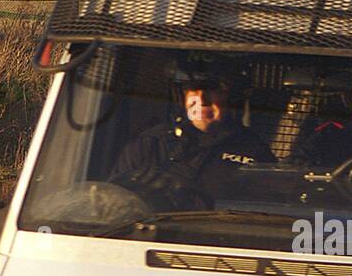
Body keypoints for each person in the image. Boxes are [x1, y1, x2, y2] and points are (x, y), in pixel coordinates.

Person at [110, 58, 273, 208]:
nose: (201, 100)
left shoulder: (256, 154)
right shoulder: (149, 144)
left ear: (233, 97)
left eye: (213, 90)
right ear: (180, 96)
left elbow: (261, 215)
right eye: (191, 90)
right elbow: (114, 206)